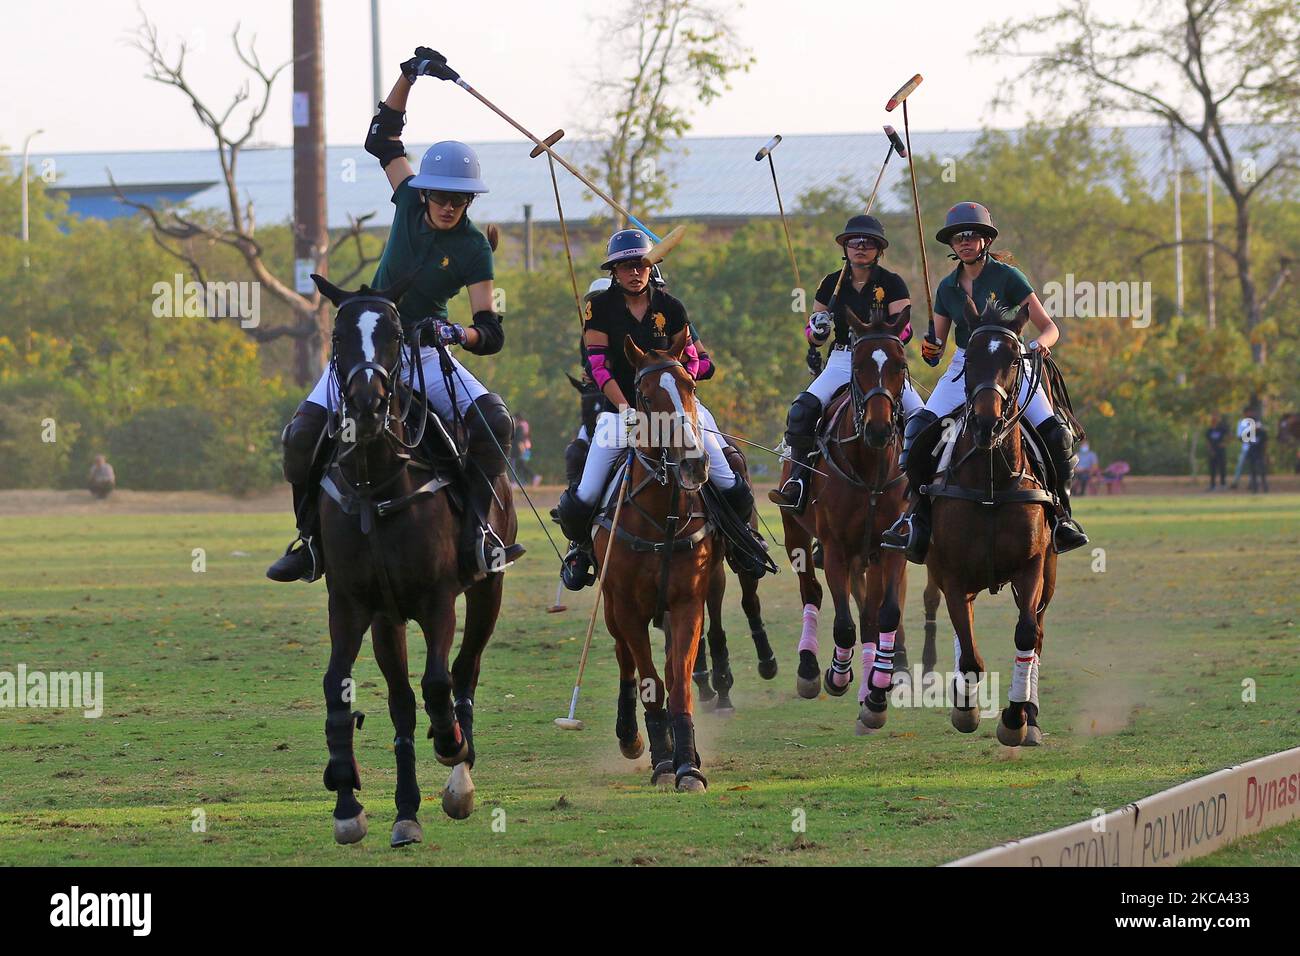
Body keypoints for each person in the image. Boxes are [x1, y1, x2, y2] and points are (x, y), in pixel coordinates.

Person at [267, 46, 524, 584]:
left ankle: (479, 533)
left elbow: (491, 332)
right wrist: (409, 76)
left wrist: (455, 331)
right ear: (425, 191)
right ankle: (310, 540)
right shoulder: (407, 198)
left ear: (469, 201)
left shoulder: (476, 250)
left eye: (458, 198)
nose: (448, 205)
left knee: (494, 421)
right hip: (368, 344)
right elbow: (381, 138)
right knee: (300, 436)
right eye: (440, 195)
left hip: (426, 351)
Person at [553, 229, 765, 588]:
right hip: (622, 411)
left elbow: (696, 361)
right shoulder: (599, 308)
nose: (634, 272)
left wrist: (679, 384)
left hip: (679, 409)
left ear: (651, 267)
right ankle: (581, 549)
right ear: (614, 272)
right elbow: (598, 368)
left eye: (640, 265)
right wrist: (626, 409)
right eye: (625, 267)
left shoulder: (671, 307)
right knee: (584, 495)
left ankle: (740, 540)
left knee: (728, 479)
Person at [881, 201, 1089, 559]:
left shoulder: (1009, 277)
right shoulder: (947, 288)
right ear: (952, 245)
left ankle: (1061, 517)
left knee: (1056, 433)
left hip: (1011, 360)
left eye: (972, 236)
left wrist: (1038, 345)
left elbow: (1049, 328)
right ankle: (916, 517)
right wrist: (930, 348)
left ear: (985, 241)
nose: (964, 242)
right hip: (967, 362)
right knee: (918, 430)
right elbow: (937, 348)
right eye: (958, 238)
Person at [768, 214, 920, 511]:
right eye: (854, 242)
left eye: (867, 243)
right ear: (845, 247)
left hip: (881, 360)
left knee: (921, 416)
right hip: (842, 359)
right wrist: (818, 329)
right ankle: (798, 481)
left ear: (878, 249)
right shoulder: (831, 284)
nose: (860, 247)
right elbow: (814, 335)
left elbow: (906, 329)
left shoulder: (891, 283)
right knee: (802, 410)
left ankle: (921, 489)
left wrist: (889, 332)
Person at [1230, 405, 1259, 489]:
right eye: (1249, 412)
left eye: (1252, 412)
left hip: (1255, 448)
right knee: (1240, 465)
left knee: (1253, 466)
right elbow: (1240, 437)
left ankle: (1251, 483)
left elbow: (1260, 434)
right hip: (1246, 447)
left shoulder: (1256, 422)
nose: (1251, 414)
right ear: (1245, 413)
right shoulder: (1241, 422)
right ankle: (1235, 482)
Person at [1205, 415, 1228, 490]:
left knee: (1222, 468)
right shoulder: (1209, 430)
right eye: (1212, 420)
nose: (1214, 421)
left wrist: (1225, 443)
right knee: (1212, 469)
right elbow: (1207, 442)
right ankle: (1212, 485)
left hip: (1221, 452)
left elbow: (1229, 436)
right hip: (1212, 452)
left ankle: (1223, 484)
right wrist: (1210, 450)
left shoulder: (1222, 429)